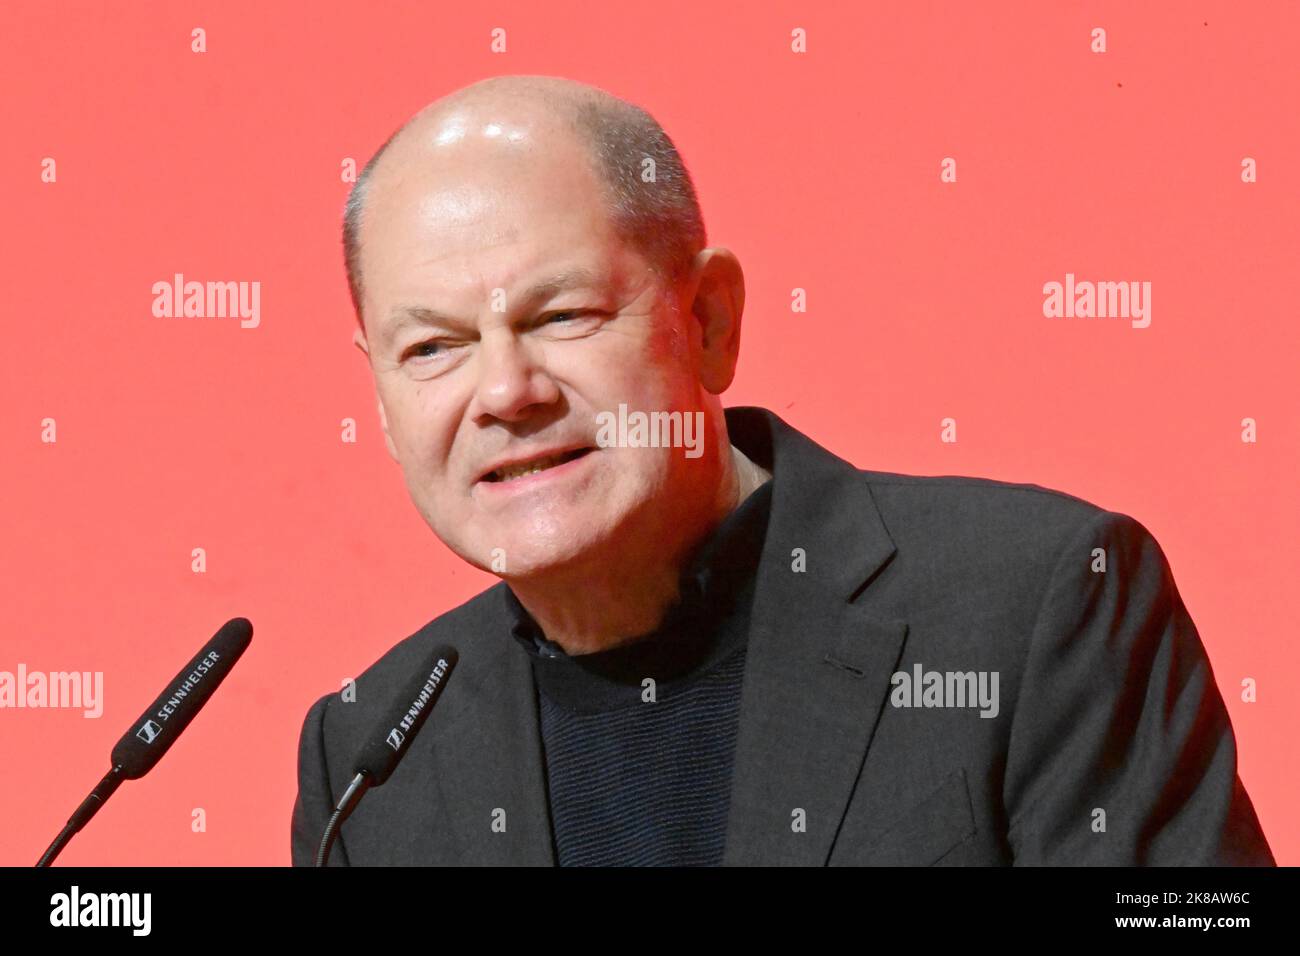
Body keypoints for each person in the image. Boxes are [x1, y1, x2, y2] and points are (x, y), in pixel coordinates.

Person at [291, 74, 1273, 866]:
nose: (505, 391)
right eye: (431, 349)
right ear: (380, 398)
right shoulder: (371, 751)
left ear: (709, 321)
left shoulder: (1034, 605)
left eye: (562, 316)